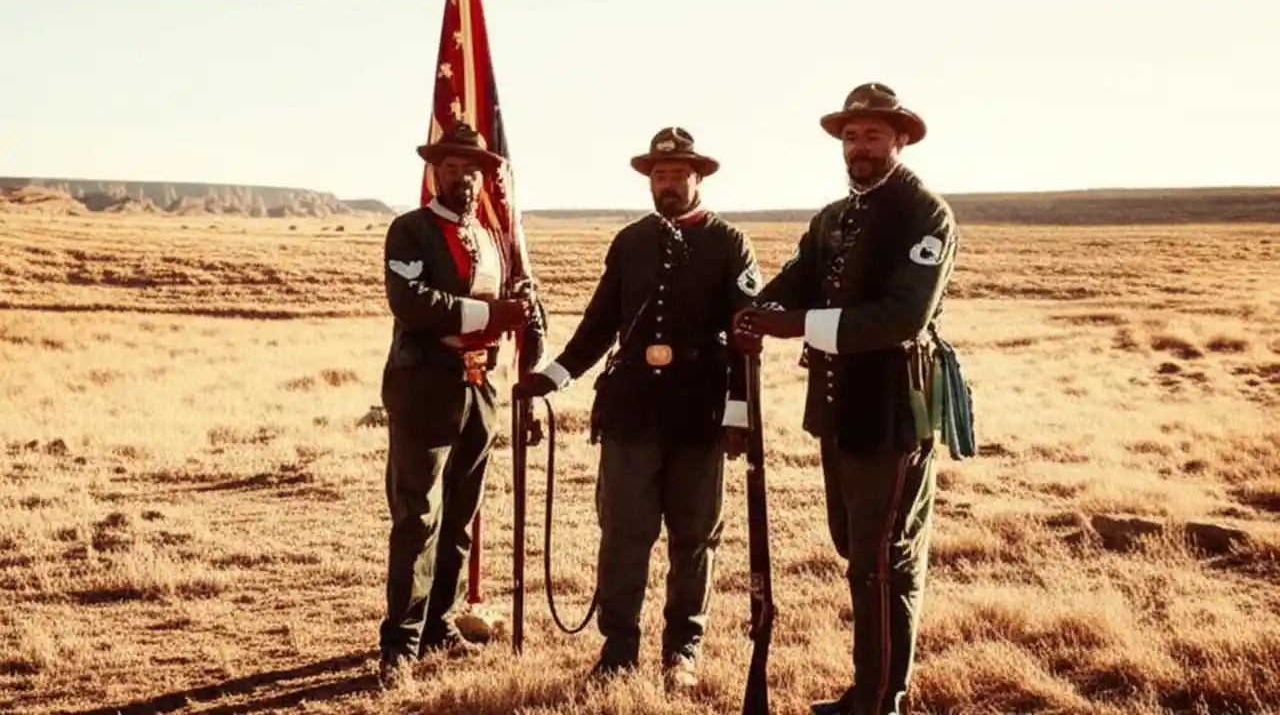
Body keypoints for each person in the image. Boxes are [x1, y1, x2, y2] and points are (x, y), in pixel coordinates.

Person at [734, 82, 962, 715]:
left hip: (890, 408)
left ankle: (880, 700)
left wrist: (792, 324)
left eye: (873, 135)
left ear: (901, 138)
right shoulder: (834, 217)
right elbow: (796, 280)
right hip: (838, 410)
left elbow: (902, 317)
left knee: (882, 561)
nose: (860, 147)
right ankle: (870, 689)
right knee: (857, 551)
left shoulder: (924, 214)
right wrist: (753, 313)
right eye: (851, 136)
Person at [515, 126, 761, 691]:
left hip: (700, 414)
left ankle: (683, 649)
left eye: (678, 174)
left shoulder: (730, 244)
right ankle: (619, 647)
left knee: (694, 536)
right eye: (659, 175)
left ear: (698, 178)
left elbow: (746, 336)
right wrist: (552, 376)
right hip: (631, 413)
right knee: (624, 532)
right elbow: (601, 324)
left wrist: (739, 410)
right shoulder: (630, 242)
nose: (668, 184)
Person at [377, 122, 546, 686]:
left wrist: (517, 310)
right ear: (436, 172)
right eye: (451, 167)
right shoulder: (411, 231)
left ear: (484, 176)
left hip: (481, 388)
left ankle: (439, 623)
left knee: (461, 516)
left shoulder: (492, 237)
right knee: (418, 517)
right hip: (425, 386)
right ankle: (399, 639)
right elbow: (412, 302)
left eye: (472, 169)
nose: (462, 177)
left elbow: (510, 302)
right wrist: (489, 316)